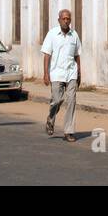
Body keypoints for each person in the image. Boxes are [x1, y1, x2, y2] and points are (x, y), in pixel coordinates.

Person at [41, 9, 82, 141]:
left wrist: (79, 72)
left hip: (71, 72)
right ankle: (50, 119)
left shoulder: (74, 35)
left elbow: (77, 55)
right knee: (56, 100)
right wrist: (46, 74)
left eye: (68, 19)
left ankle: (69, 131)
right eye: (63, 19)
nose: (66, 21)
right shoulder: (52, 34)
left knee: (71, 101)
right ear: (59, 20)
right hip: (56, 73)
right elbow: (47, 55)